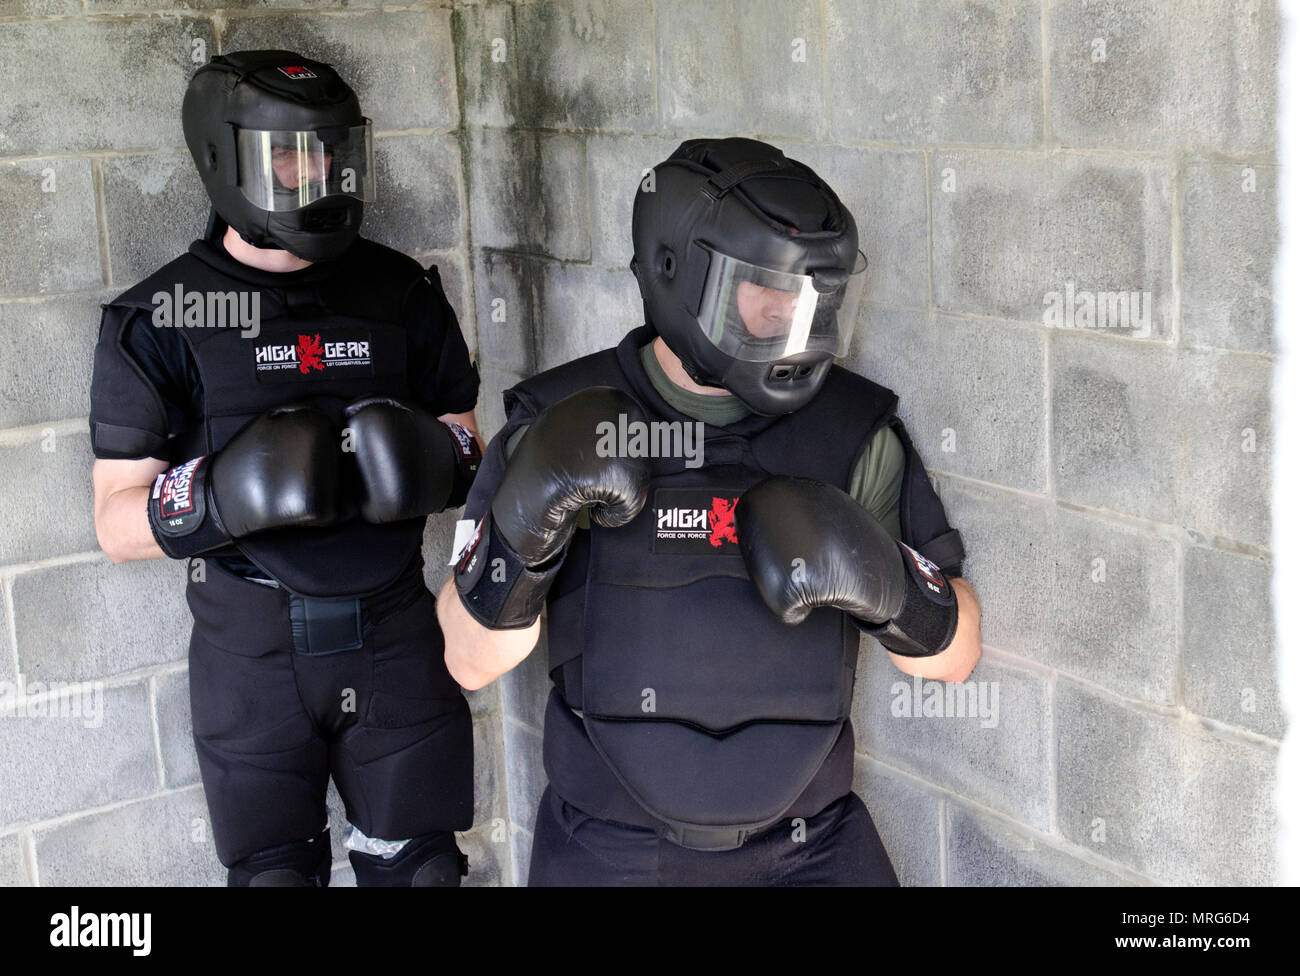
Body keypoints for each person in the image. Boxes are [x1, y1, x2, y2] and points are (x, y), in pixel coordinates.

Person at [438, 137, 983, 885]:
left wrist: (885, 581)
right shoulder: (556, 424)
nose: (795, 313)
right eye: (766, 290)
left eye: (813, 292)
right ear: (676, 274)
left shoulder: (853, 433)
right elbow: (468, 660)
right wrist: (528, 521)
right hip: (609, 851)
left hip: (810, 848)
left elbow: (957, 659)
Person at [89, 51, 481, 887]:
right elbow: (114, 522)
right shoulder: (162, 315)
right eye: (290, 155)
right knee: (271, 878)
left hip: (396, 632)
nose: (318, 176)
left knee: (424, 872)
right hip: (250, 652)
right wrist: (224, 493)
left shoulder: (400, 291)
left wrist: (436, 461)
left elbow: (468, 442)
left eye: (331, 154)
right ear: (225, 160)